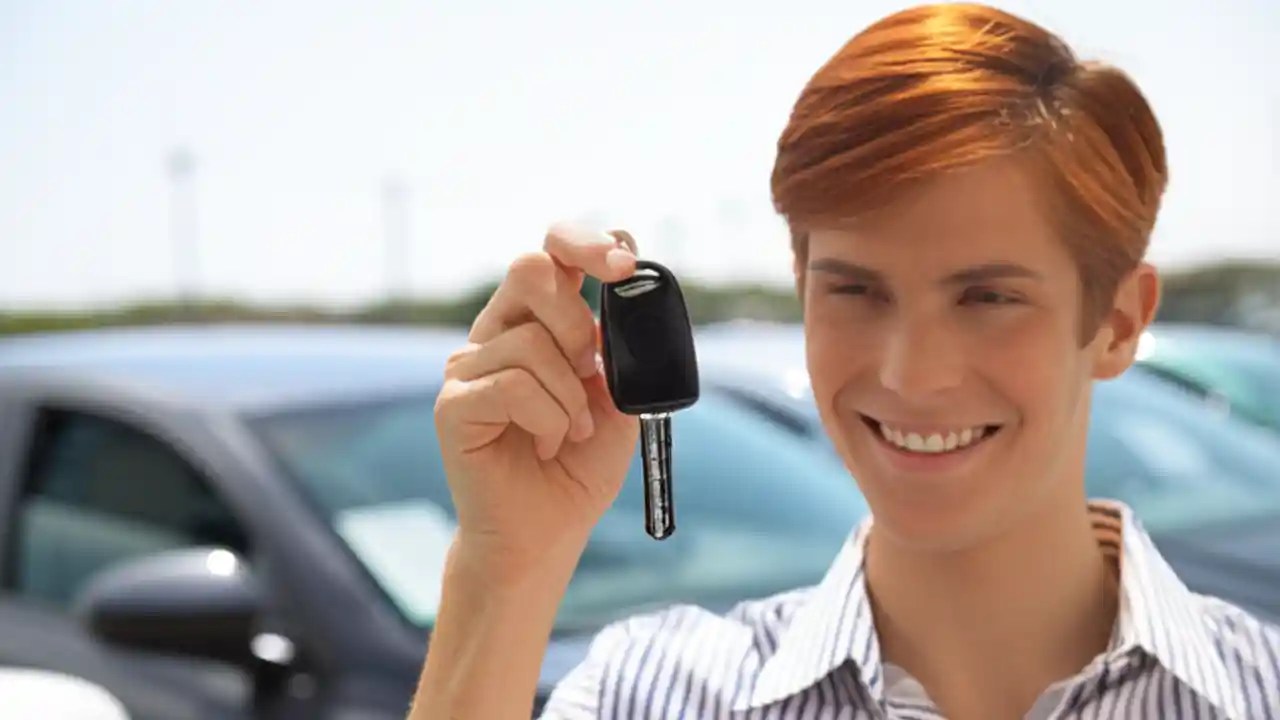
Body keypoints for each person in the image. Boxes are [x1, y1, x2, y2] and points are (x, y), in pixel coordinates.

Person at [410, 4, 1280, 719]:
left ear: (1119, 323)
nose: (910, 374)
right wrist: (503, 571)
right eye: (857, 291)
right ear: (802, 287)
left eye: (987, 297)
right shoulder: (646, 697)